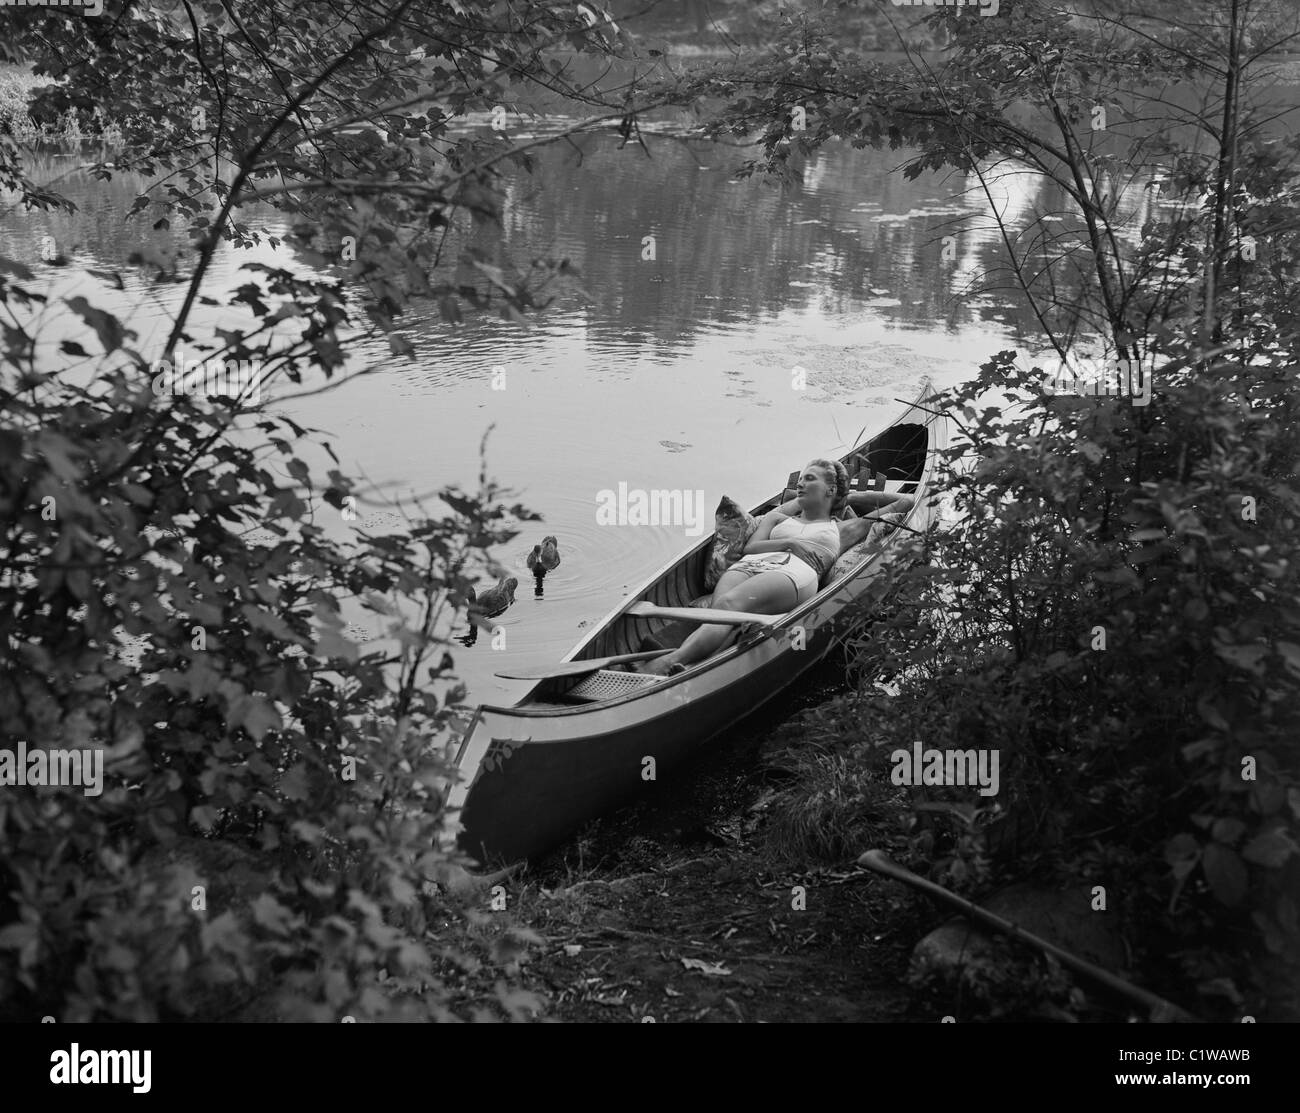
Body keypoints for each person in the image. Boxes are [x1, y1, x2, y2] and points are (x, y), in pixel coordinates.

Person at [636, 459, 910, 676]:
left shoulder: (841, 529)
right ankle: (697, 666)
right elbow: (750, 549)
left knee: (730, 606)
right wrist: (789, 542)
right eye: (800, 479)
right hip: (752, 564)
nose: (801, 484)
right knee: (722, 614)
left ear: (830, 490)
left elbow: (905, 502)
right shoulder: (777, 517)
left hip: (793, 574)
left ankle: (668, 661)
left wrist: (847, 497)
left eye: (809, 479)